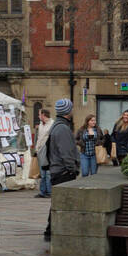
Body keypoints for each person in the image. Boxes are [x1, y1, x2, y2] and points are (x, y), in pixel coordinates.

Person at [43, 98, 80, 241]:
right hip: (63, 171)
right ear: (67, 111)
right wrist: (72, 169)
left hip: (57, 170)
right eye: (71, 109)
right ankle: (50, 232)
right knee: (61, 203)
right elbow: (66, 152)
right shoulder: (62, 128)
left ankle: (50, 231)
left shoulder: (57, 126)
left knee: (57, 202)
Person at [35, 108, 53, 197]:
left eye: (39, 114)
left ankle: (49, 192)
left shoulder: (52, 124)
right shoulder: (41, 125)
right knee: (42, 173)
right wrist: (36, 149)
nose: (38, 116)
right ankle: (42, 191)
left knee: (48, 172)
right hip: (40, 150)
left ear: (43, 115)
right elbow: (39, 138)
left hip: (48, 150)